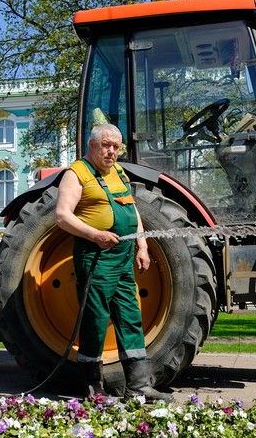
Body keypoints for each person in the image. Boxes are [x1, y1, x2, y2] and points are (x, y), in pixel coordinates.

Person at [54, 123, 173, 402]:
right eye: (106, 145)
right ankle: (93, 387)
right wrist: (94, 234)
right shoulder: (76, 174)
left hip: (123, 257)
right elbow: (62, 216)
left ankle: (138, 386)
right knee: (95, 320)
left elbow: (132, 209)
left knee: (130, 316)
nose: (111, 151)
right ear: (92, 145)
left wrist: (142, 245)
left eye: (116, 147)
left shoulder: (119, 172)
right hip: (96, 257)